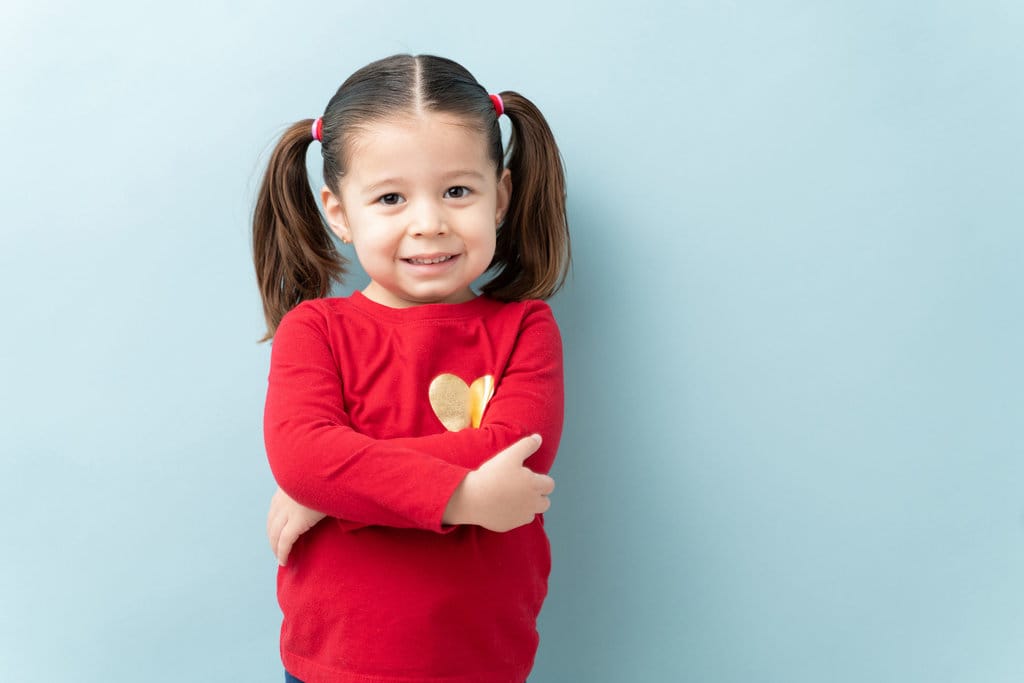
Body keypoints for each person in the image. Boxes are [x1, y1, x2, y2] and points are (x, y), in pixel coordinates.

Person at [251, 53, 571, 683]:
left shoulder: (525, 328)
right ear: (340, 212)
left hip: (481, 660)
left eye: (457, 191)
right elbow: (303, 458)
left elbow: (518, 453)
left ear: (500, 196)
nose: (429, 223)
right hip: (335, 664)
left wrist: (336, 492)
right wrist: (464, 495)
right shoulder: (314, 329)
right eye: (391, 198)